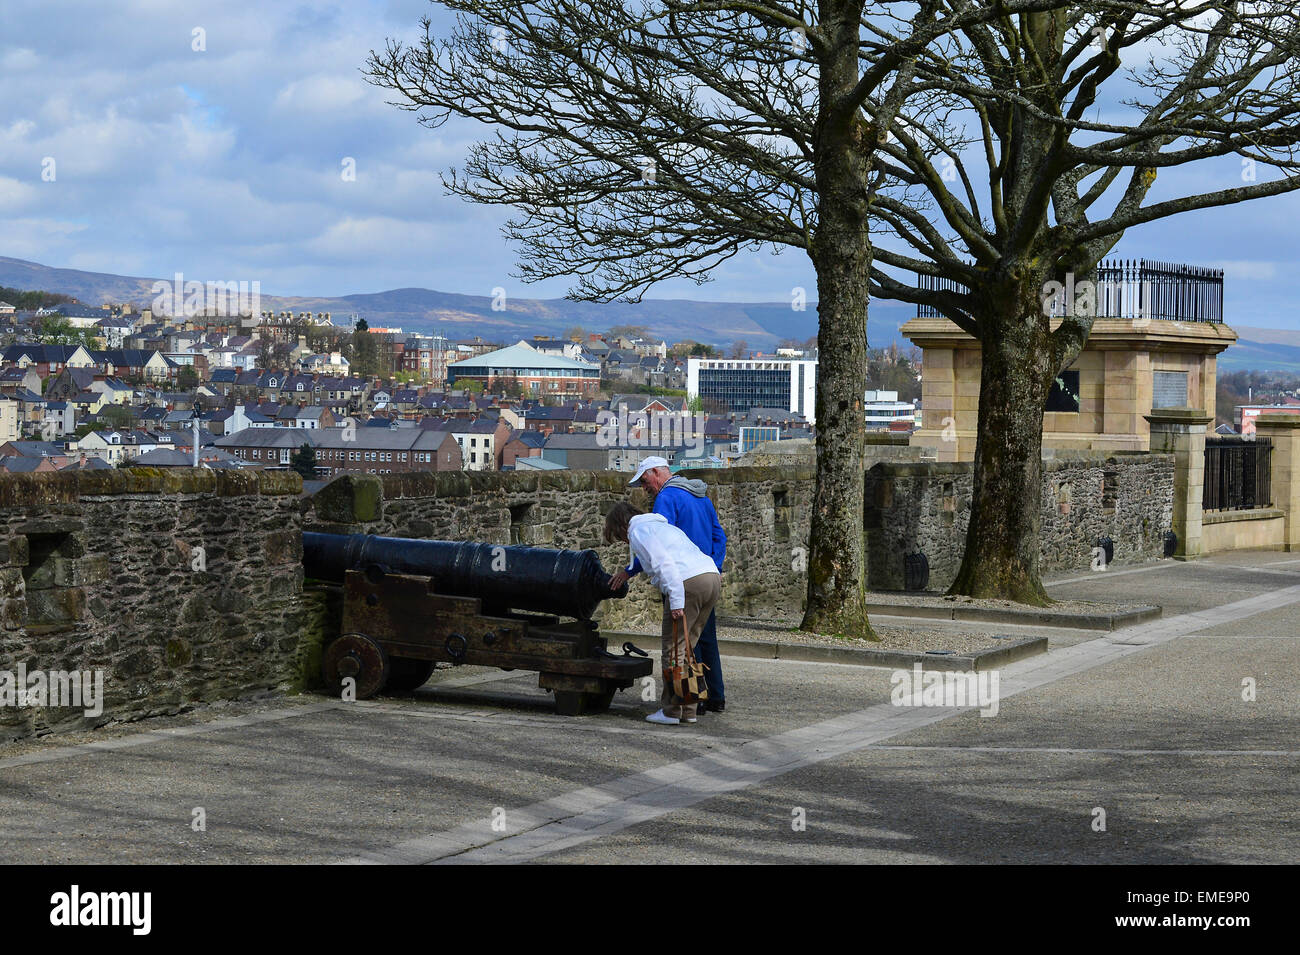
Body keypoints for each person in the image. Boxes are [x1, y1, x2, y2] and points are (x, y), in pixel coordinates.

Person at [610, 456, 728, 712]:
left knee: (677, 647)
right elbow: (720, 536)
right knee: (704, 640)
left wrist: (630, 571)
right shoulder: (701, 496)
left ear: (656, 472)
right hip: (706, 574)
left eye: (645, 481)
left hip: (682, 580)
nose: (645, 488)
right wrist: (714, 566)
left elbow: (657, 547)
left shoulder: (667, 498)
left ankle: (682, 705)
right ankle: (713, 696)